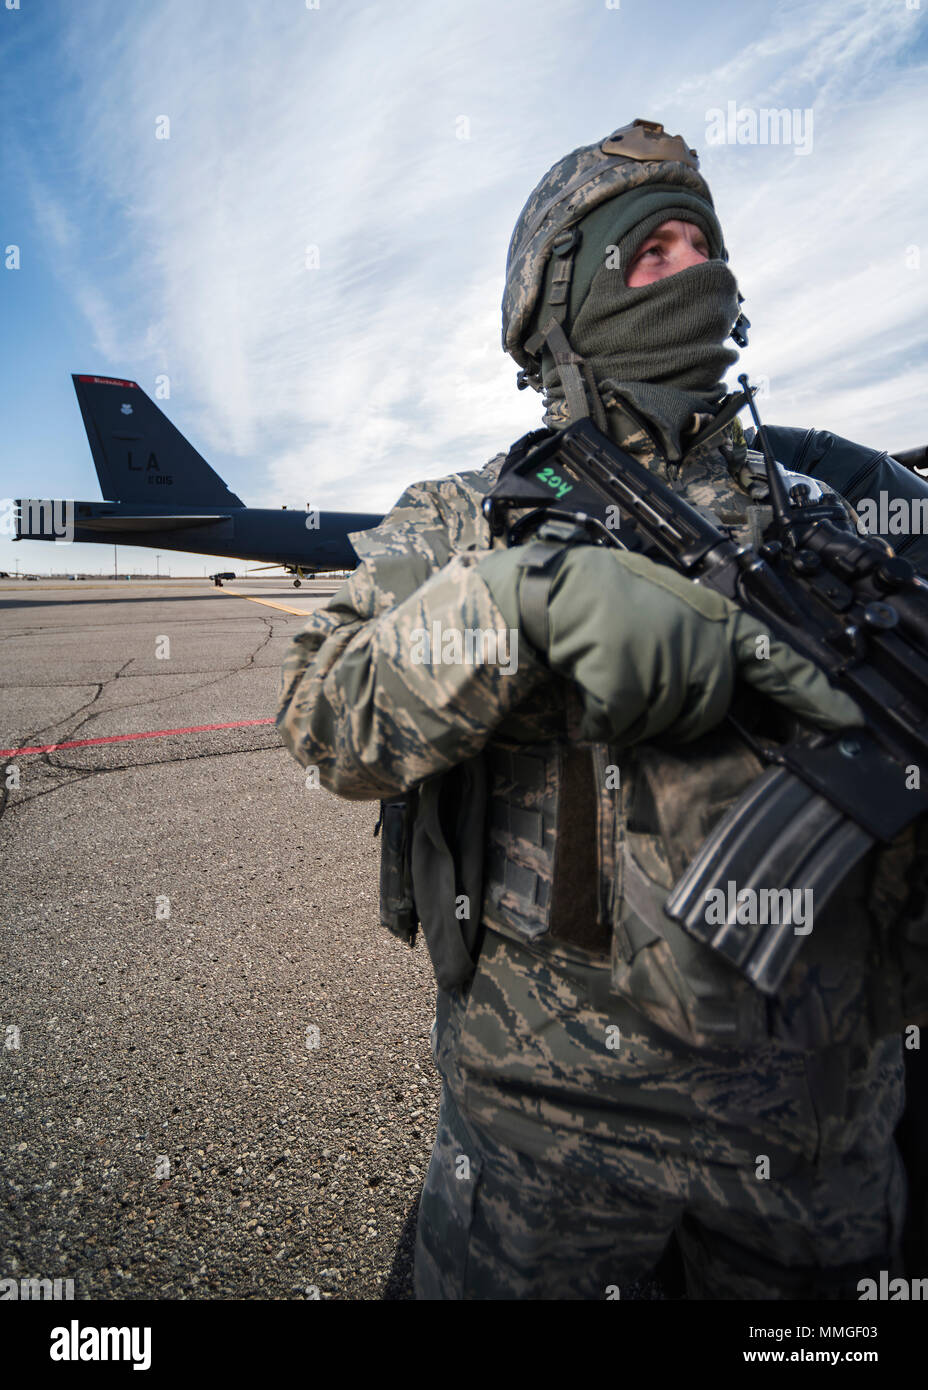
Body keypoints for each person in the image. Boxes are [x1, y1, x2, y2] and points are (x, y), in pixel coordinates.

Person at [276, 119, 928, 1299]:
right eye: (651, 252)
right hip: (548, 1133)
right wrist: (518, 603)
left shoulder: (834, 520)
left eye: (703, 244)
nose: (694, 271)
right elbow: (326, 716)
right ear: (562, 300)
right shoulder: (476, 517)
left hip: (822, 1144)